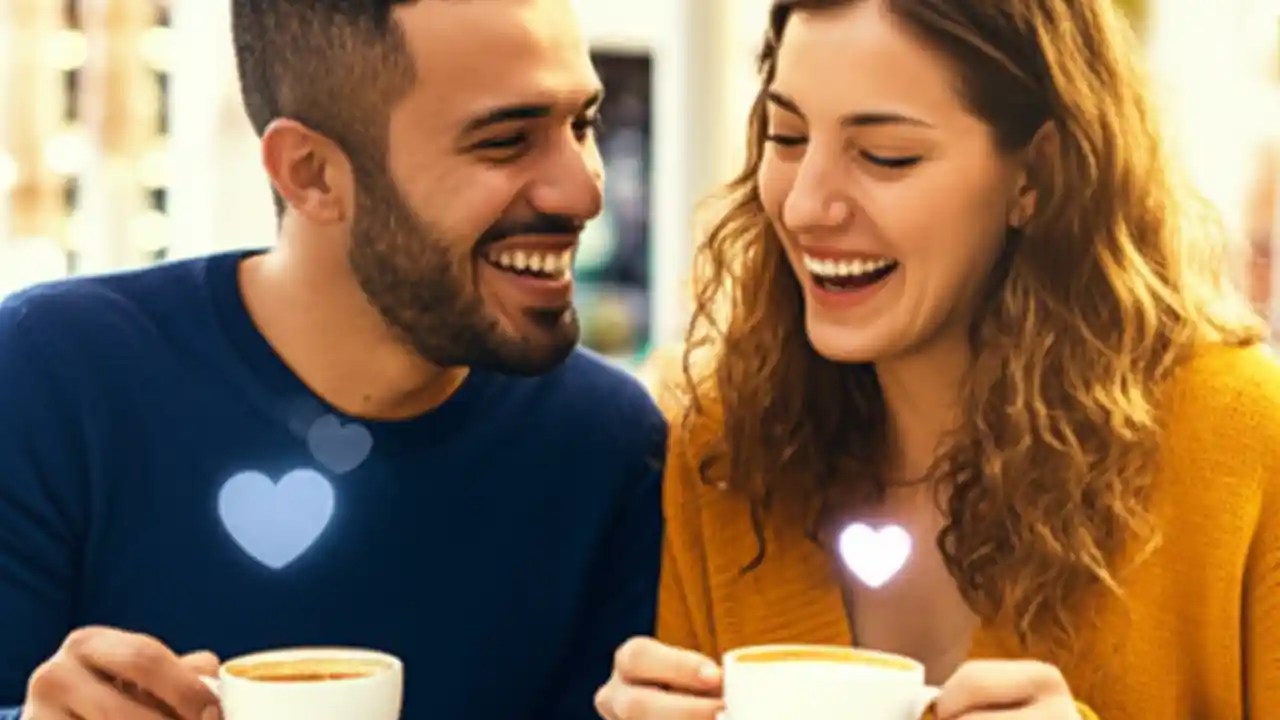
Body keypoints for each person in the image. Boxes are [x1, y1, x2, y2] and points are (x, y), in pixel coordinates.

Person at [595, 0, 1279, 718]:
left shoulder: (1238, 446)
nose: (803, 205)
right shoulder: (727, 457)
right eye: (787, 136)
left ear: (1035, 175)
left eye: (885, 156)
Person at [0, 1, 665, 718]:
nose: (585, 189)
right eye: (506, 141)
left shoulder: (607, 445)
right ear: (311, 173)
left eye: (581, 126)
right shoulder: (51, 380)